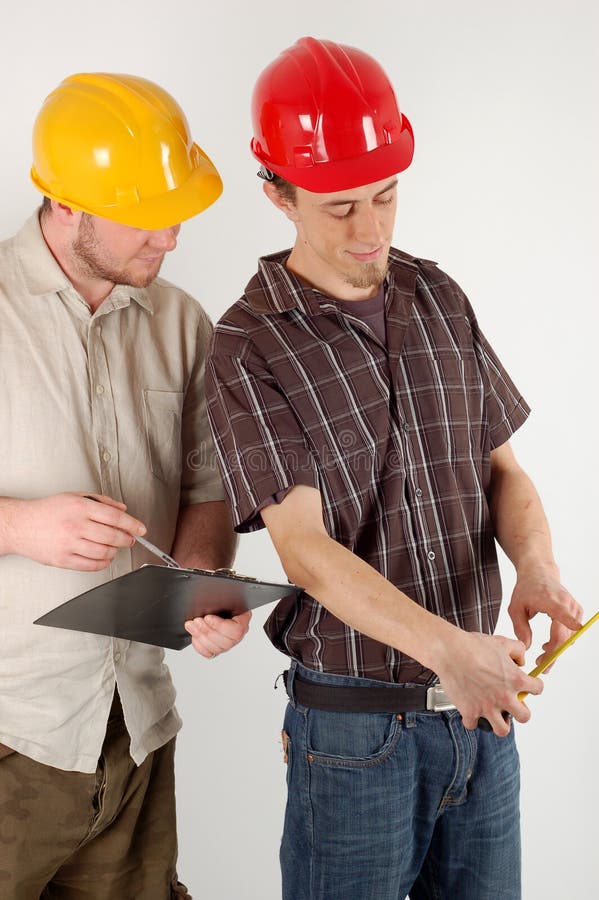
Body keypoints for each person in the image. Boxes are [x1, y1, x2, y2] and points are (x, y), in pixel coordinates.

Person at [205, 37, 583, 900]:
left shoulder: (436, 294)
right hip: (352, 738)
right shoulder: (249, 344)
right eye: (339, 208)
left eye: (385, 195)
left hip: (482, 719)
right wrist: (452, 652)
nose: (370, 230)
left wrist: (534, 567)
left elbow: (506, 474)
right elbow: (301, 551)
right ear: (277, 194)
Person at [0, 72, 249, 899]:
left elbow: (206, 490)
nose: (171, 237)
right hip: (14, 726)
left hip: (135, 727)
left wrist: (202, 590)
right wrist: (19, 526)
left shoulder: (182, 323)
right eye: (146, 215)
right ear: (67, 205)